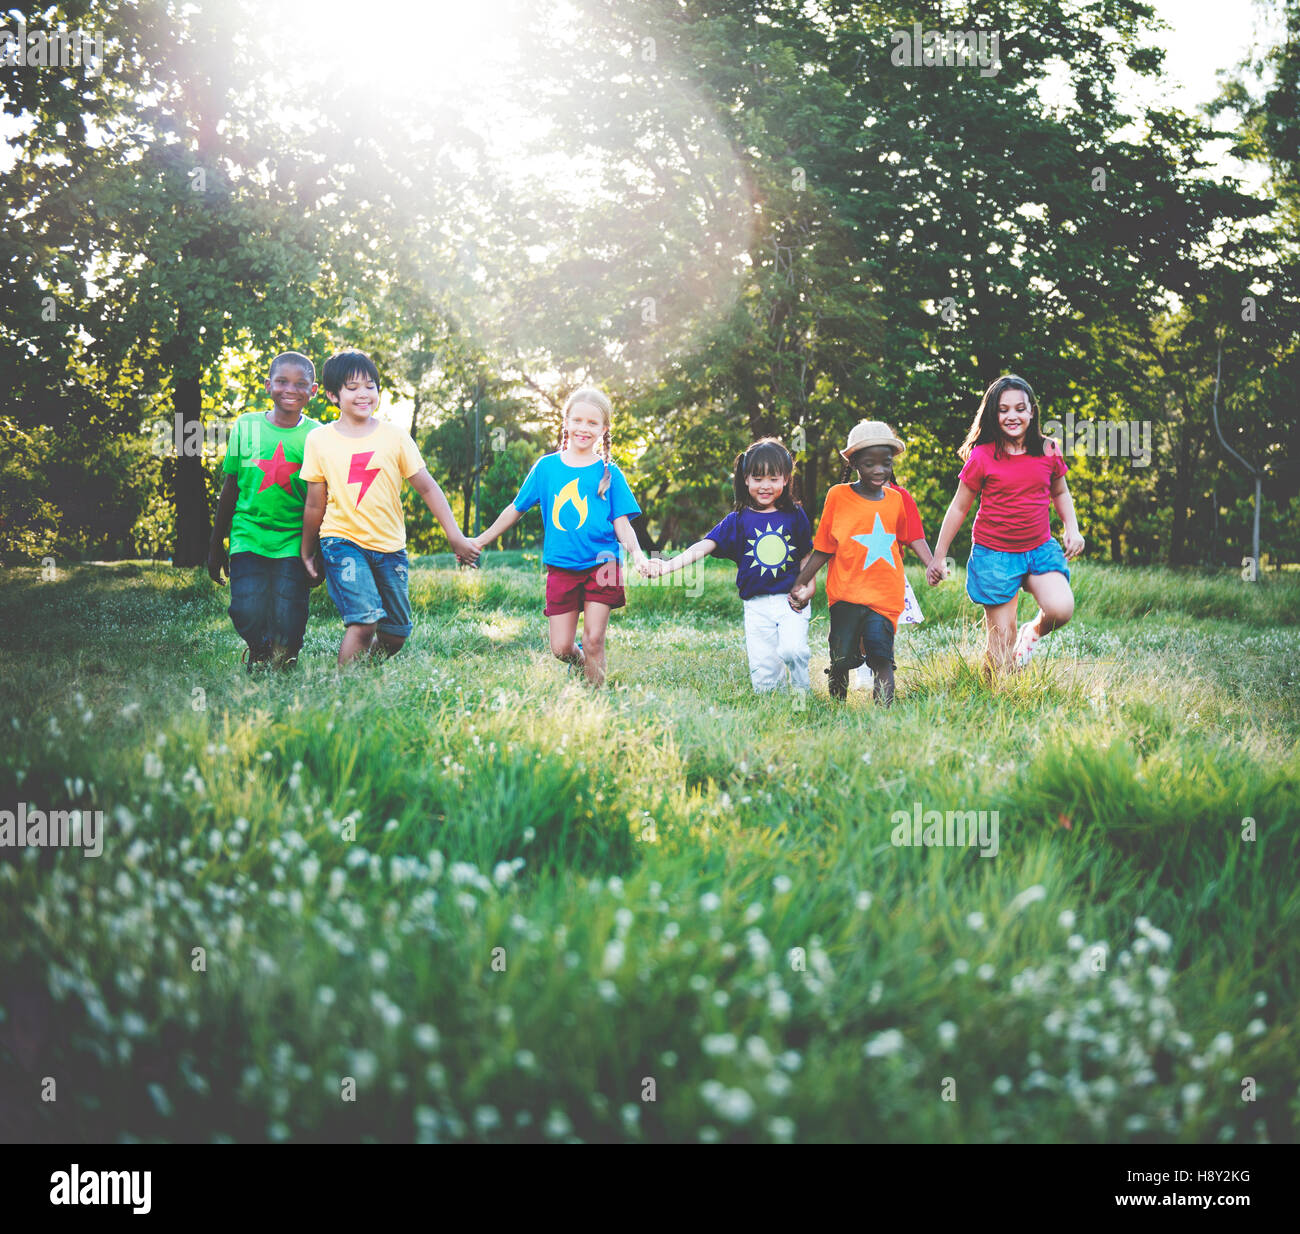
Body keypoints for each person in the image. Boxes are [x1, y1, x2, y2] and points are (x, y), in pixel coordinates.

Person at [299, 349, 479, 666]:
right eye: (352, 387)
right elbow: (315, 501)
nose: (364, 394)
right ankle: (346, 692)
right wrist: (307, 549)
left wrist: (455, 536)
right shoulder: (319, 439)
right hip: (341, 542)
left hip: (390, 547)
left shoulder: (395, 437)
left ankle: (365, 671)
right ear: (332, 394)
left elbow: (427, 487)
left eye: (370, 385)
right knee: (365, 619)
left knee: (396, 633)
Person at [472, 386, 647, 687]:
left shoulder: (610, 473)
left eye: (593, 423)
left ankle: (595, 703)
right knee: (562, 648)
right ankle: (580, 665)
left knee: (594, 639)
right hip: (562, 566)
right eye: (577, 420)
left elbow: (622, 524)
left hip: (603, 565)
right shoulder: (546, 468)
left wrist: (638, 555)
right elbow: (516, 508)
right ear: (565, 422)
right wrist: (480, 540)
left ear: (604, 429)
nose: (583, 428)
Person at [926, 373, 1084, 675]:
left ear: (1032, 411)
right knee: (1001, 649)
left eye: (1020, 408)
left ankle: (1032, 633)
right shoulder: (982, 456)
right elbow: (959, 506)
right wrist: (939, 555)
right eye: (1003, 409)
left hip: (1039, 549)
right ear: (993, 414)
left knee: (1060, 609)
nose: (1012, 416)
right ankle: (995, 697)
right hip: (995, 555)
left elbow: (1061, 491)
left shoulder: (1049, 449)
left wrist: (1071, 528)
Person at [642, 437, 813, 693]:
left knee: (793, 649)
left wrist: (808, 586)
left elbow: (806, 555)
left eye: (773, 479)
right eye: (757, 479)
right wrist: (667, 566)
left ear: (786, 479)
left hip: (790, 601)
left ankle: (802, 692)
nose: (765, 486)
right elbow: (703, 546)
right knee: (765, 677)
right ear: (745, 479)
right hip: (755, 606)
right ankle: (775, 708)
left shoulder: (795, 514)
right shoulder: (738, 520)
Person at [788, 421, 929, 704]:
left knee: (881, 657)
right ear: (853, 463)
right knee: (841, 659)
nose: (879, 470)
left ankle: (883, 717)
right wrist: (801, 581)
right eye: (869, 464)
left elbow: (909, 537)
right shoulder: (837, 496)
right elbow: (824, 547)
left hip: (885, 597)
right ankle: (837, 706)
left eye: (885, 463)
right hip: (845, 596)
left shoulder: (896, 500)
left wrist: (932, 563)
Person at [208, 351, 322, 670]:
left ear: (313, 390)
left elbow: (322, 498)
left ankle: (285, 659)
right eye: (282, 381)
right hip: (248, 534)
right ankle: (260, 648)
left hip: (294, 540)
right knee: (245, 607)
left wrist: (317, 551)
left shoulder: (317, 435)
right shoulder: (246, 426)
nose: (290, 389)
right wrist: (216, 544)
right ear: (267, 384)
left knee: (291, 610)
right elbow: (231, 487)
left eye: (301, 383)